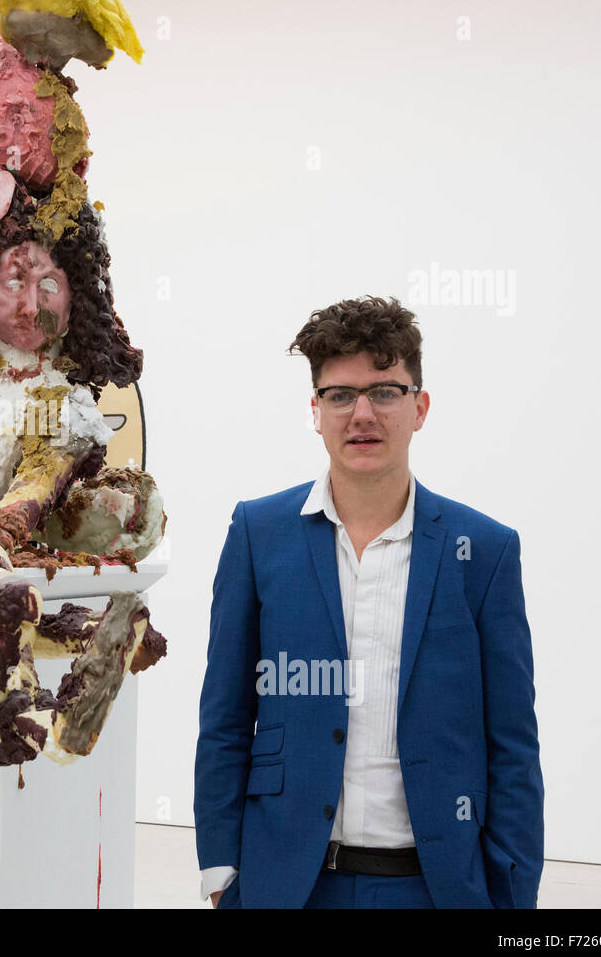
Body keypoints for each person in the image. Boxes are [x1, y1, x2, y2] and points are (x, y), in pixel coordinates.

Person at [194, 296, 543, 909]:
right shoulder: (258, 533)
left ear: (420, 407)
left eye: (385, 391)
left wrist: (511, 896)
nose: (362, 413)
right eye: (339, 395)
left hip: (435, 889)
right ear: (316, 410)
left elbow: (512, 745)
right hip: (288, 886)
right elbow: (224, 718)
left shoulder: (484, 551)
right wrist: (221, 870)